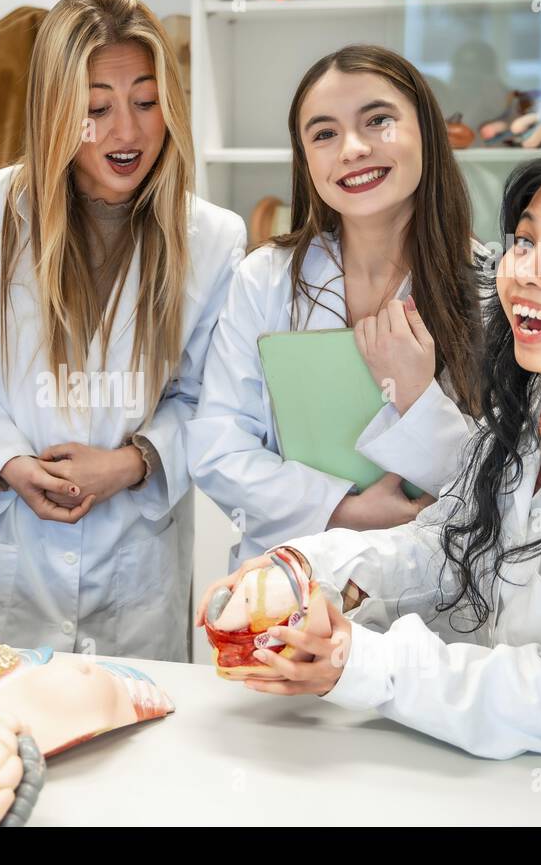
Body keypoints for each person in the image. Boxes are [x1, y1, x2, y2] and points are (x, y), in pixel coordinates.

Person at [199, 144, 541, 758]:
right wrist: (316, 570)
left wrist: (359, 662)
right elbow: (452, 541)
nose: (528, 271)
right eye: (524, 240)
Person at [0, 0, 246, 661]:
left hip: (136, 568)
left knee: (133, 747)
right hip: (3, 563)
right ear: (54, 110)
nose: (127, 131)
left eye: (147, 102)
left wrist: (132, 463)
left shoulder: (212, 237)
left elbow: (214, 401)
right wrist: (6, 460)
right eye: (96, 107)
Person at [188, 45, 485, 569]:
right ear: (306, 160)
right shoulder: (266, 278)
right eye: (324, 134)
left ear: (427, 132)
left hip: (432, 595)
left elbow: (499, 482)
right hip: (288, 584)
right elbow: (219, 449)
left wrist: (417, 396)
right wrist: (344, 510)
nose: (352, 148)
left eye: (378, 121)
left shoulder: (489, 287)